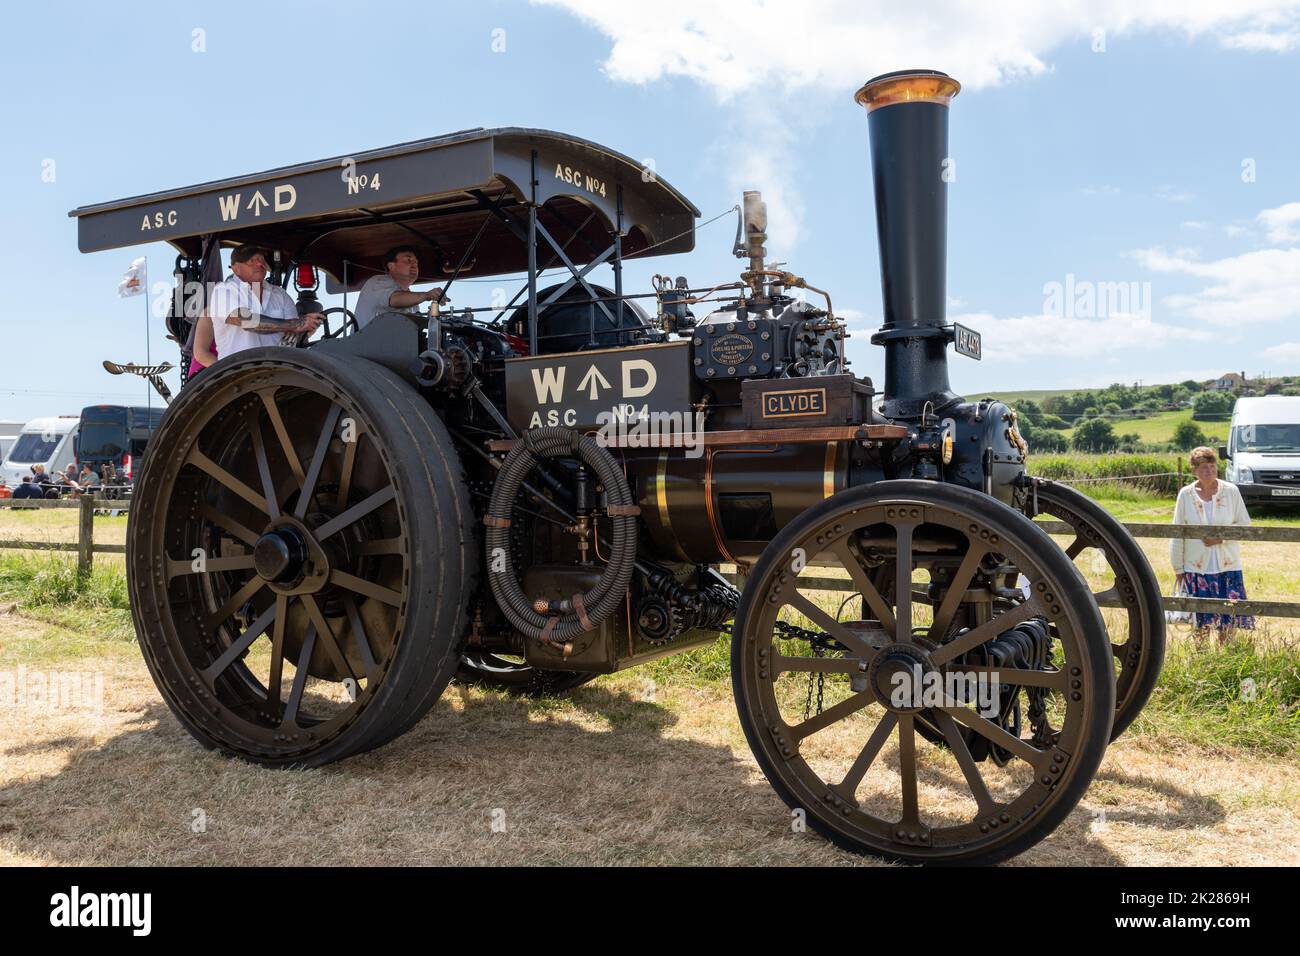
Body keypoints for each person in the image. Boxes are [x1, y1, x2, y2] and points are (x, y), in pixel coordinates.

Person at [1171, 445, 1255, 644]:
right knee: (1200, 621)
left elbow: (1245, 525)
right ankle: (1202, 662)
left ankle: (1224, 660)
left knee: (1228, 619)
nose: (1208, 470)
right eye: (1202, 467)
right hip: (1196, 568)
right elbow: (1177, 532)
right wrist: (1178, 567)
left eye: (1211, 466)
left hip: (1228, 566)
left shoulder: (1231, 491)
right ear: (1194, 470)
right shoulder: (1185, 494)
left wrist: (1220, 538)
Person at [207, 244, 322, 359]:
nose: (259, 264)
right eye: (251, 261)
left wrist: (310, 325)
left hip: (277, 370)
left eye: (261, 259)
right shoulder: (223, 290)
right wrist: (296, 324)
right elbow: (245, 321)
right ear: (235, 268)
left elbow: (292, 335)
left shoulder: (280, 295)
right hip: (238, 372)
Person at [353, 245, 445, 330]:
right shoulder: (378, 281)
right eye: (408, 260)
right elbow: (394, 299)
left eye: (416, 262)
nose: (414, 265)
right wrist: (426, 295)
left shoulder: (414, 303)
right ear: (391, 266)